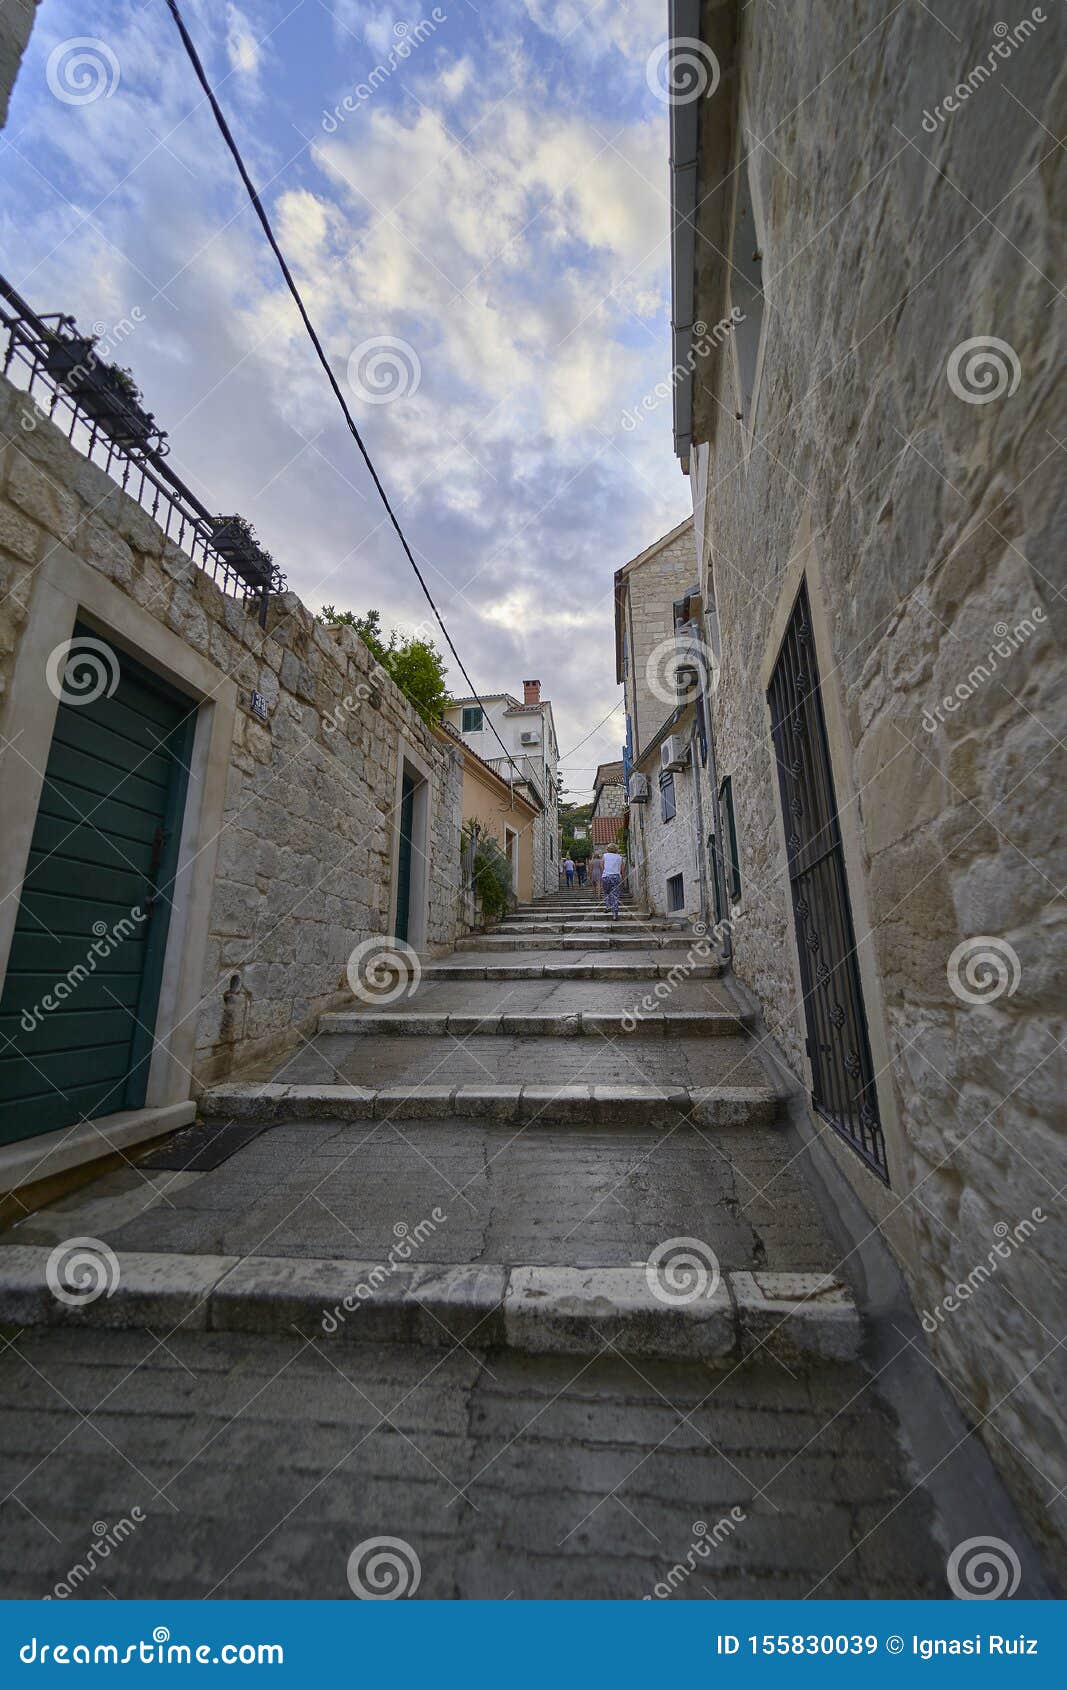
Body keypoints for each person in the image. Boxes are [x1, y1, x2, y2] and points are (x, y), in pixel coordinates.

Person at [601, 848, 624, 918]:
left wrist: (605, 872)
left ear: (608, 849)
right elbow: (622, 869)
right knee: (615, 895)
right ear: (616, 850)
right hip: (616, 876)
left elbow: (602, 866)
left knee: (606, 892)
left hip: (606, 876)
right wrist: (622, 877)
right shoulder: (620, 857)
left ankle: (608, 906)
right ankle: (615, 914)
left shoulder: (604, 855)